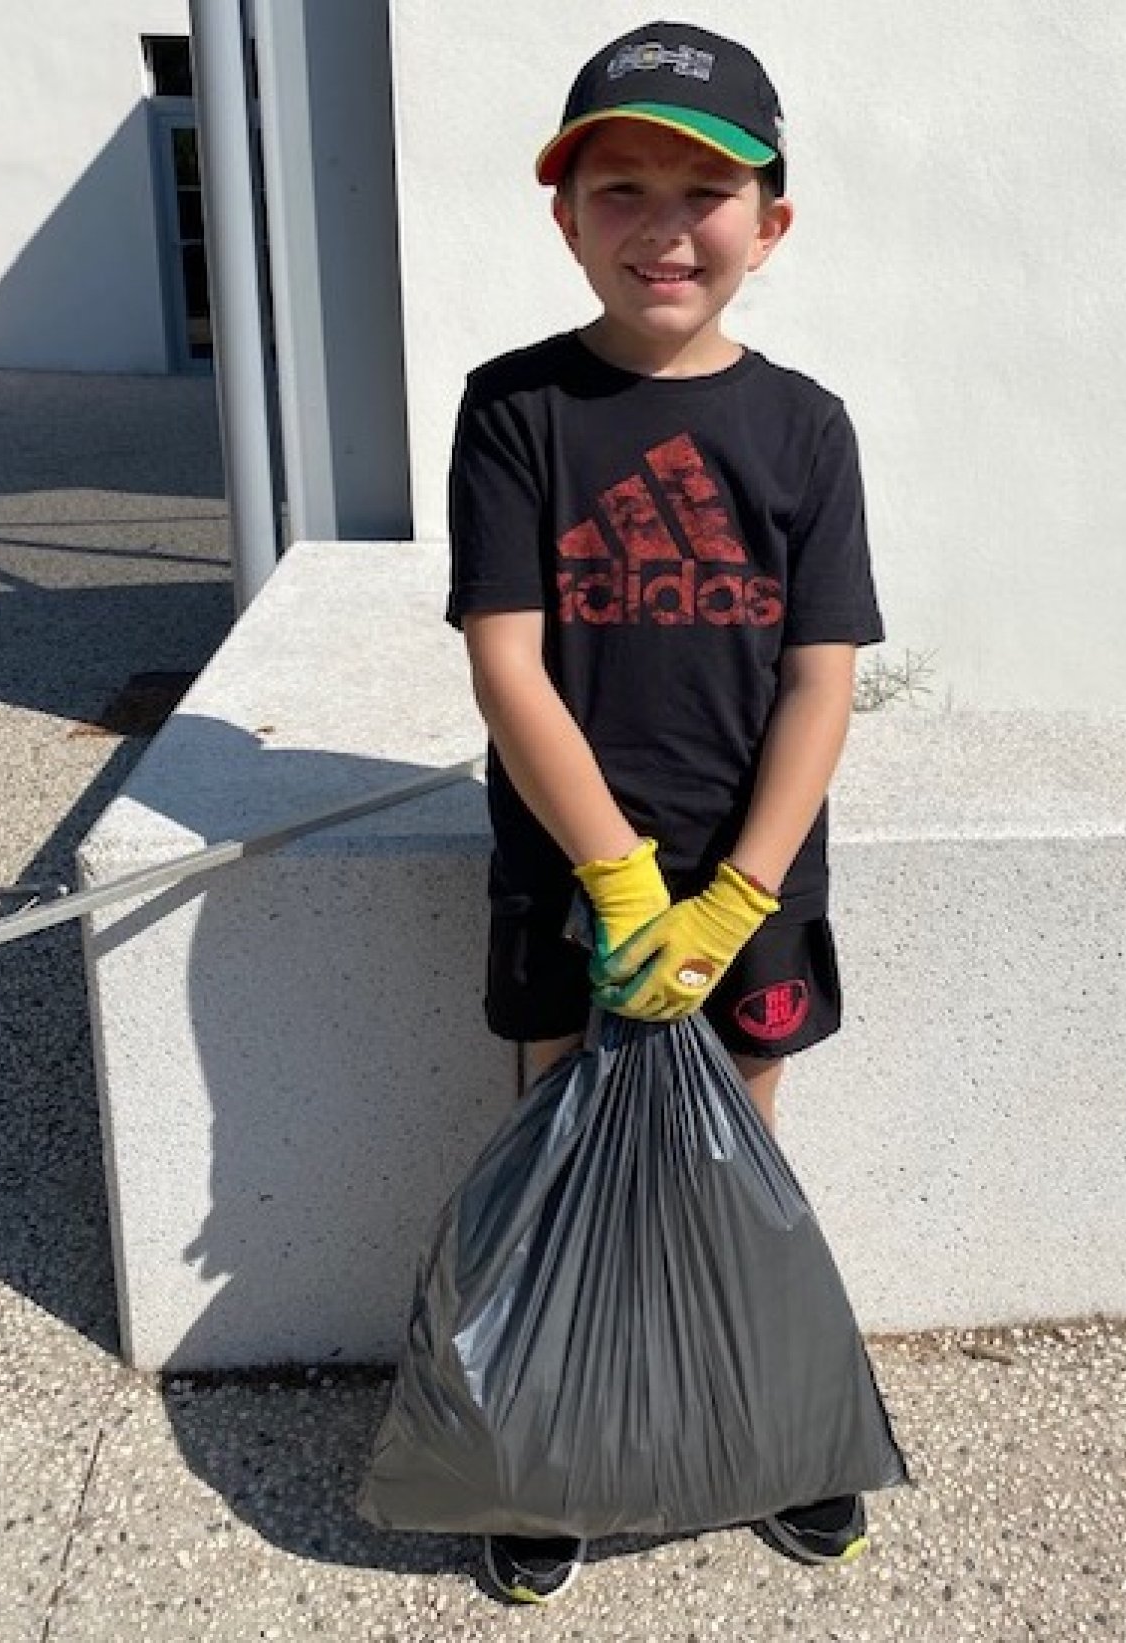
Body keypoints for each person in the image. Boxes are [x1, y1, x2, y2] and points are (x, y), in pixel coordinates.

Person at [447, 20, 886, 1605]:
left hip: (750, 890)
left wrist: (730, 896)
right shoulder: (516, 412)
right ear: (564, 217)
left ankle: (764, 1435)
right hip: (571, 887)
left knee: (732, 1174)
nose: (663, 222)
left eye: (707, 190)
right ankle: (550, 1453)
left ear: (770, 226)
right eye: (621, 185)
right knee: (563, 1158)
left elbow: (820, 686)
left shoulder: (807, 428)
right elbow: (509, 666)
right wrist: (624, 885)